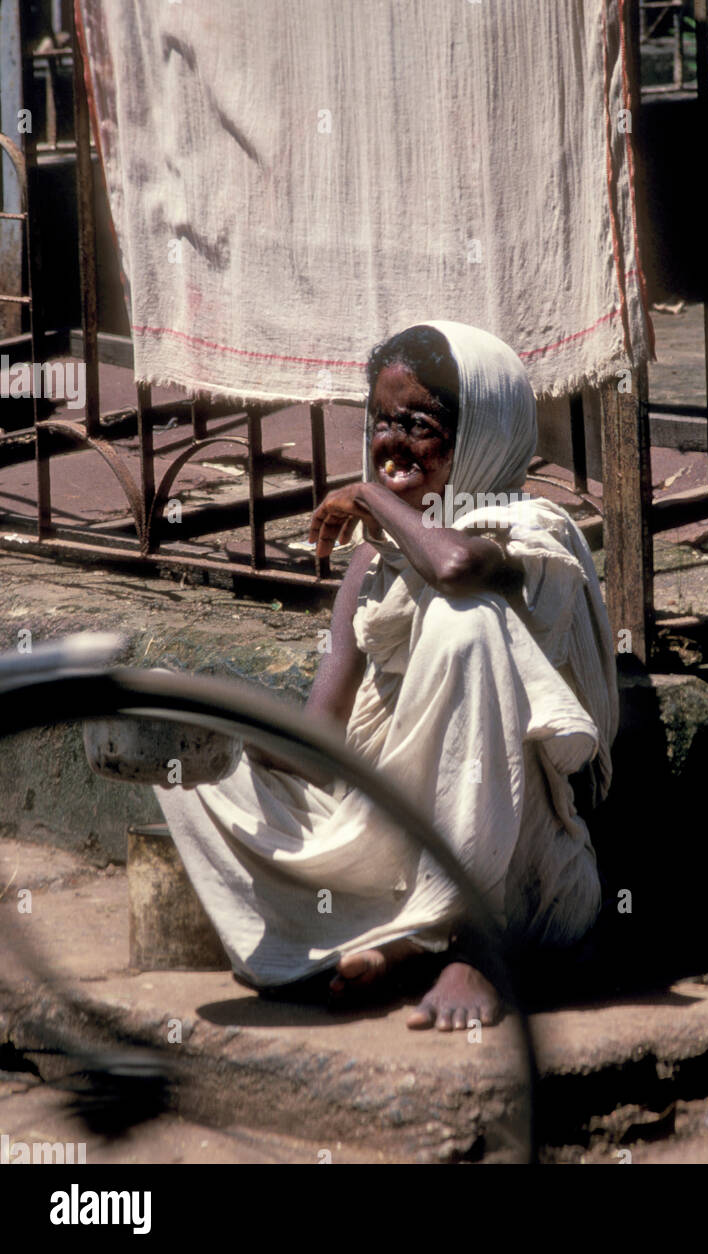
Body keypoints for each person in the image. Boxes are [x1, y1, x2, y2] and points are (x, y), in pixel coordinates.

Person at [155, 321, 618, 1031]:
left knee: (467, 623)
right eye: (382, 421)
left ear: (484, 433)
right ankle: (403, 938)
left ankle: (475, 946)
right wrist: (213, 729)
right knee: (190, 768)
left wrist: (370, 499)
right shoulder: (375, 562)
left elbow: (458, 570)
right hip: (398, 853)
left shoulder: (531, 533)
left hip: (528, 878)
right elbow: (319, 740)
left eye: (420, 422)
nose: (393, 442)